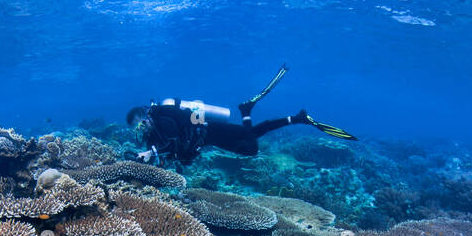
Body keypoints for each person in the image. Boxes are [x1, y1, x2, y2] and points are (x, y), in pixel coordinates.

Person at [127, 65, 356, 166]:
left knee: (251, 133)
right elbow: (171, 151)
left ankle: (297, 118)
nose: (140, 131)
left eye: (140, 125)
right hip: (205, 141)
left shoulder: (163, 120)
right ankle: (246, 111)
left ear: (146, 118)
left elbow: (173, 141)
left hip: (207, 129)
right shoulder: (151, 136)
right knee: (251, 150)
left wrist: (152, 152)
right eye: (136, 130)